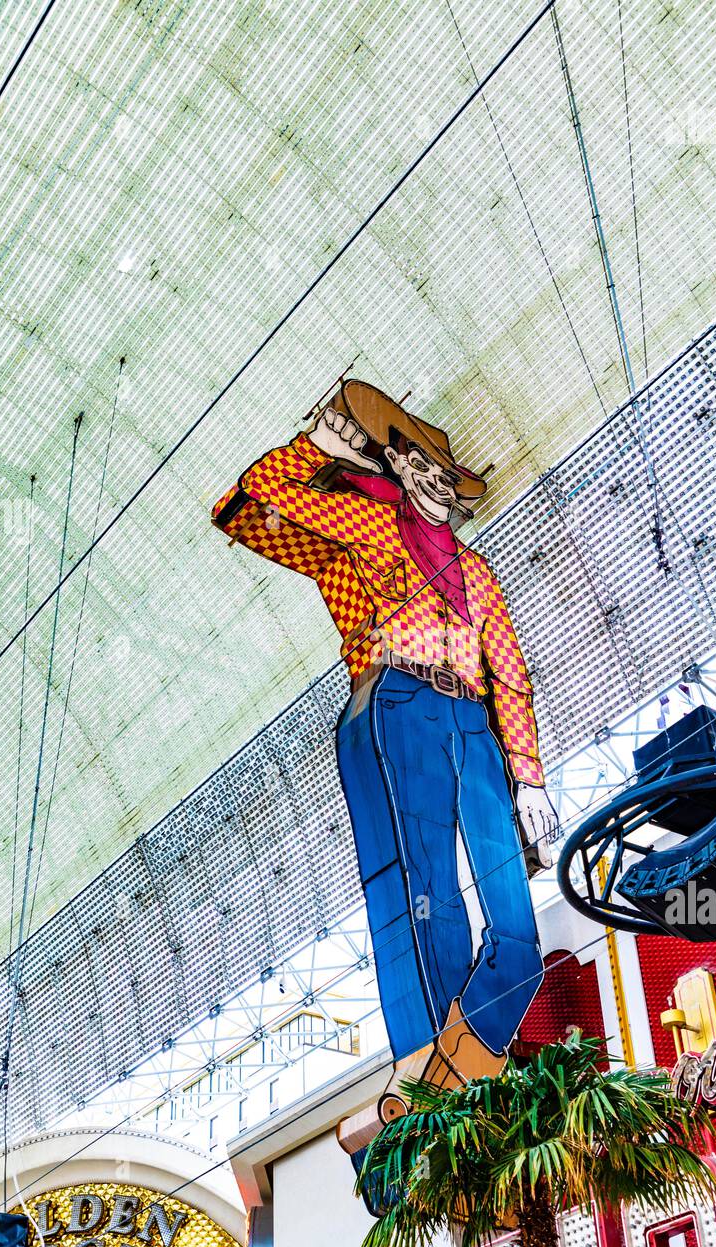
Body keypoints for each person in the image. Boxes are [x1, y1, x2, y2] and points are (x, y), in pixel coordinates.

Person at [212, 382, 558, 1151]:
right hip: (395, 702)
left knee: (517, 940)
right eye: (423, 465)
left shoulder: (480, 574)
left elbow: (512, 674)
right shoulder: (361, 525)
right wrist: (320, 453)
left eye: (448, 473)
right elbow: (246, 503)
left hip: (474, 723)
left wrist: (529, 775)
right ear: (400, 468)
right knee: (422, 903)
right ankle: (438, 1106)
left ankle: (437, 1089)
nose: (437, 481)